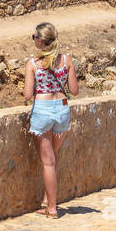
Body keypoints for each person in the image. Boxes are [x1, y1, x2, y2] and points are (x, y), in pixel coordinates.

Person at [23, 22, 79, 219]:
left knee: (47, 162)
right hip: (62, 109)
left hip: (43, 110)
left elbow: (28, 94)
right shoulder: (67, 60)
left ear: (40, 41)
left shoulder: (33, 64)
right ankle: (46, 202)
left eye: (34, 37)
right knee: (53, 158)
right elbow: (74, 90)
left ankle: (53, 209)